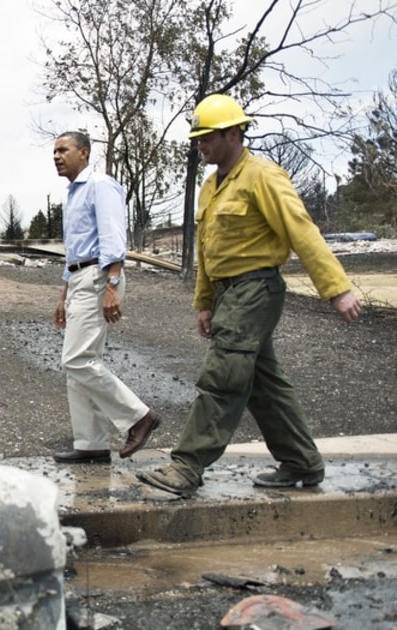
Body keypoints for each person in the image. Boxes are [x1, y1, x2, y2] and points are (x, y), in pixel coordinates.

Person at [137, 94, 363, 498]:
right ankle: (301, 462)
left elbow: (301, 230)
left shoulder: (262, 175)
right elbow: (207, 252)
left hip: (257, 288)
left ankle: (186, 466)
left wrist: (337, 289)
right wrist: (204, 303)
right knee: (262, 382)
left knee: (223, 374)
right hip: (228, 294)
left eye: (207, 137)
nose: (201, 145)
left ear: (233, 132)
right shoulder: (210, 187)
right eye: (198, 138)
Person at [51, 130, 161, 464]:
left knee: (77, 359)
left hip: (99, 277)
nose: (56, 157)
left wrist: (112, 284)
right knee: (79, 365)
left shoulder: (100, 185)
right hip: (80, 278)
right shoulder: (73, 194)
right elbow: (77, 250)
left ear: (83, 152)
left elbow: (112, 236)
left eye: (63, 150)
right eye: (54, 152)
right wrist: (64, 292)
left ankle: (139, 417)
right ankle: (91, 444)